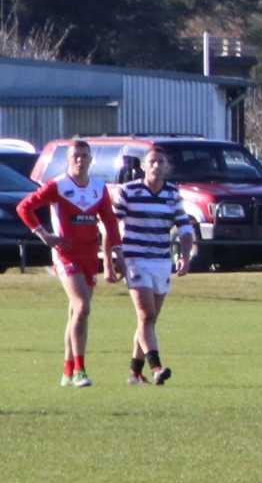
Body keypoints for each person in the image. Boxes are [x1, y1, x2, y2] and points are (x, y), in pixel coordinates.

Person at [17, 138, 120, 387]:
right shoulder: (58, 186)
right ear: (68, 159)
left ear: (91, 159)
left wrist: (111, 259)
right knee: (82, 306)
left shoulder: (98, 188)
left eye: (85, 156)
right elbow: (24, 207)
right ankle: (79, 371)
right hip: (66, 255)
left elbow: (110, 224)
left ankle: (67, 370)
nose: (80, 160)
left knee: (77, 313)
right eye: (76, 156)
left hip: (88, 256)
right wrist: (45, 235)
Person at [114, 147, 185, 383]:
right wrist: (113, 257)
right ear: (143, 166)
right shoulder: (129, 191)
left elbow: (184, 227)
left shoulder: (172, 193)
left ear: (166, 167)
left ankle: (134, 372)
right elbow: (112, 225)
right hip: (135, 259)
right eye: (152, 162)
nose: (156, 166)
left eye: (160, 162)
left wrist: (184, 256)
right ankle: (156, 368)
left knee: (149, 320)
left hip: (161, 260)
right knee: (146, 315)